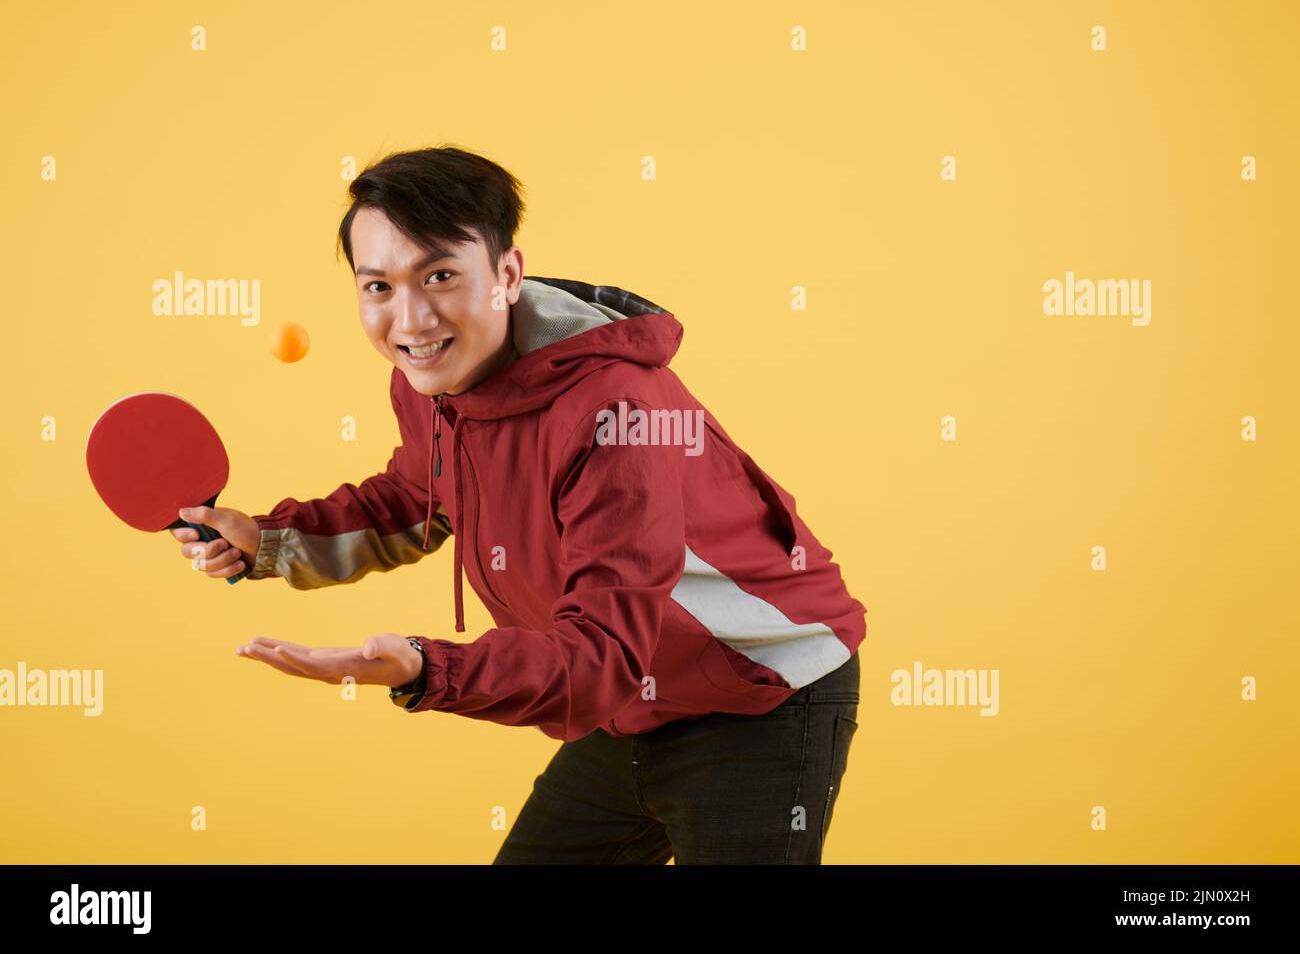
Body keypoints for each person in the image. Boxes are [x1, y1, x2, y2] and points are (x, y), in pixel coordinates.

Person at [172, 145, 867, 864]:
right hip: (630, 696)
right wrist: (267, 539)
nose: (409, 319)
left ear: (506, 274)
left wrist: (426, 669)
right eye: (378, 287)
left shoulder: (617, 415)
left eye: (439, 276)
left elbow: (600, 655)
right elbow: (417, 497)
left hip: (759, 689)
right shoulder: (435, 382)